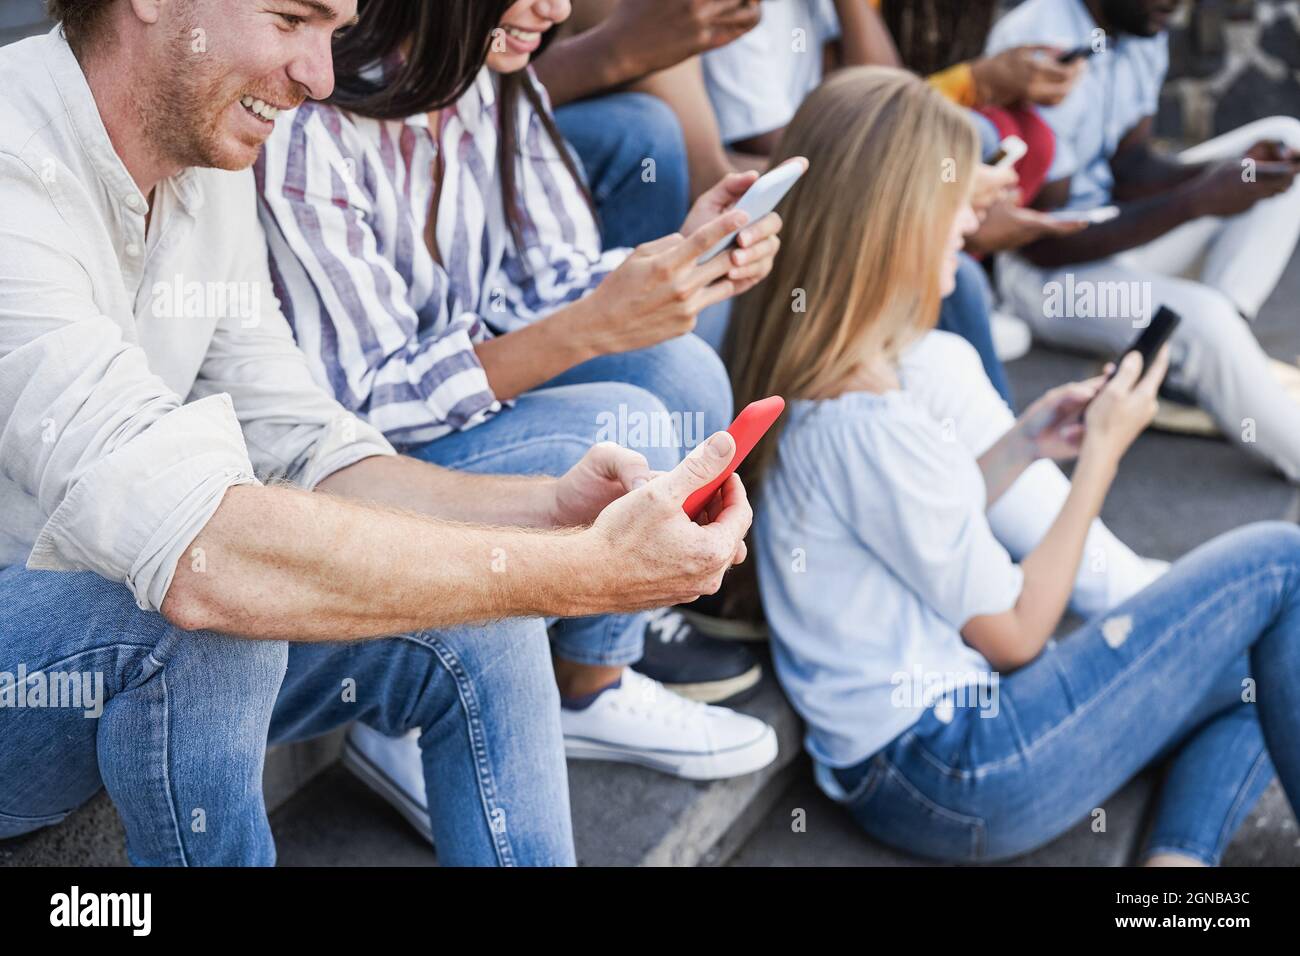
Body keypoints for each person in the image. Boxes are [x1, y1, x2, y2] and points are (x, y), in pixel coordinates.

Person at [0, 0, 755, 867]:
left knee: (490, 594)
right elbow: (201, 547)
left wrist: (551, 514)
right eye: (292, 19)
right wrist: (589, 574)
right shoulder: (13, 164)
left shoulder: (206, 151)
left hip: (121, 649)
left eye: (332, 30)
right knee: (200, 601)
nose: (321, 76)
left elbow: (304, 443)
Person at [727, 66, 1300, 867]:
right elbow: (1020, 635)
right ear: (893, 227)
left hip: (911, 769)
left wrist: (1026, 444)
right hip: (959, 769)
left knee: (1265, 653)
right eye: (954, 209)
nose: (969, 227)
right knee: (1284, 568)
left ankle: (1179, 869)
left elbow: (922, 527)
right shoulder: (875, 422)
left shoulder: (827, 383)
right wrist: (1101, 455)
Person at [255, 0, 786, 825]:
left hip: (456, 413)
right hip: (355, 471)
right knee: (625, 417)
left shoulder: (486, 81)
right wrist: (589, 328)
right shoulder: (308, 122)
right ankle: (400, 697)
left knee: (682, 369)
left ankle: (590, 686)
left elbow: (544, 276)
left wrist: (672, 261)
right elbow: (358, 411)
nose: (559, 8)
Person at [990, 0, 1300, 481]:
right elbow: (1039, 241)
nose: (1175, 6)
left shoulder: (1140, 22)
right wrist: (1197, 199)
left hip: (1118, 233)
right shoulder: (1038, 39)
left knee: (1287, 140)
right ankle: (1211, 358)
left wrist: (1219, 178)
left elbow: (1131, 167)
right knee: (1204, 320)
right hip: (1046, 278)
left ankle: (1192, 370)